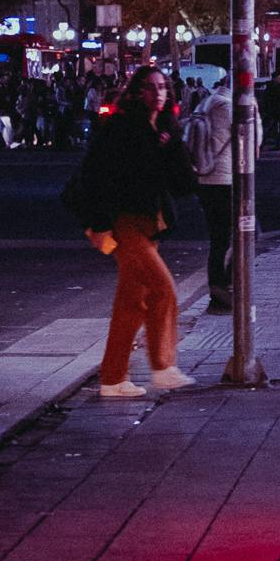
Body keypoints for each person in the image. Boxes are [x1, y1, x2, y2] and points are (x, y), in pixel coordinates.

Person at [64, 69, 199, 401]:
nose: (159, 93)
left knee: (130, 303)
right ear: (137, 92)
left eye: (163, 87)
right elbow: (94, 176)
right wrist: (100, 224)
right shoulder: (122, 128)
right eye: (151, 88)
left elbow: (183, 185)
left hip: (150, 224)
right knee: (163, 289)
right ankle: (163, 366)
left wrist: (171, 145)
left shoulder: (165, 129)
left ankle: (113, 378)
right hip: (123, 222)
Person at [188, 75, 262, 312]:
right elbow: (253, 141)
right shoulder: (230, 107)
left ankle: (221, 292)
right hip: (224, 180)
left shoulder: (208, 102)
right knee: (246, 234)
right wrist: (255, 111)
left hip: (207, 180)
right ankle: (224, 290)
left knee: (220, 239)